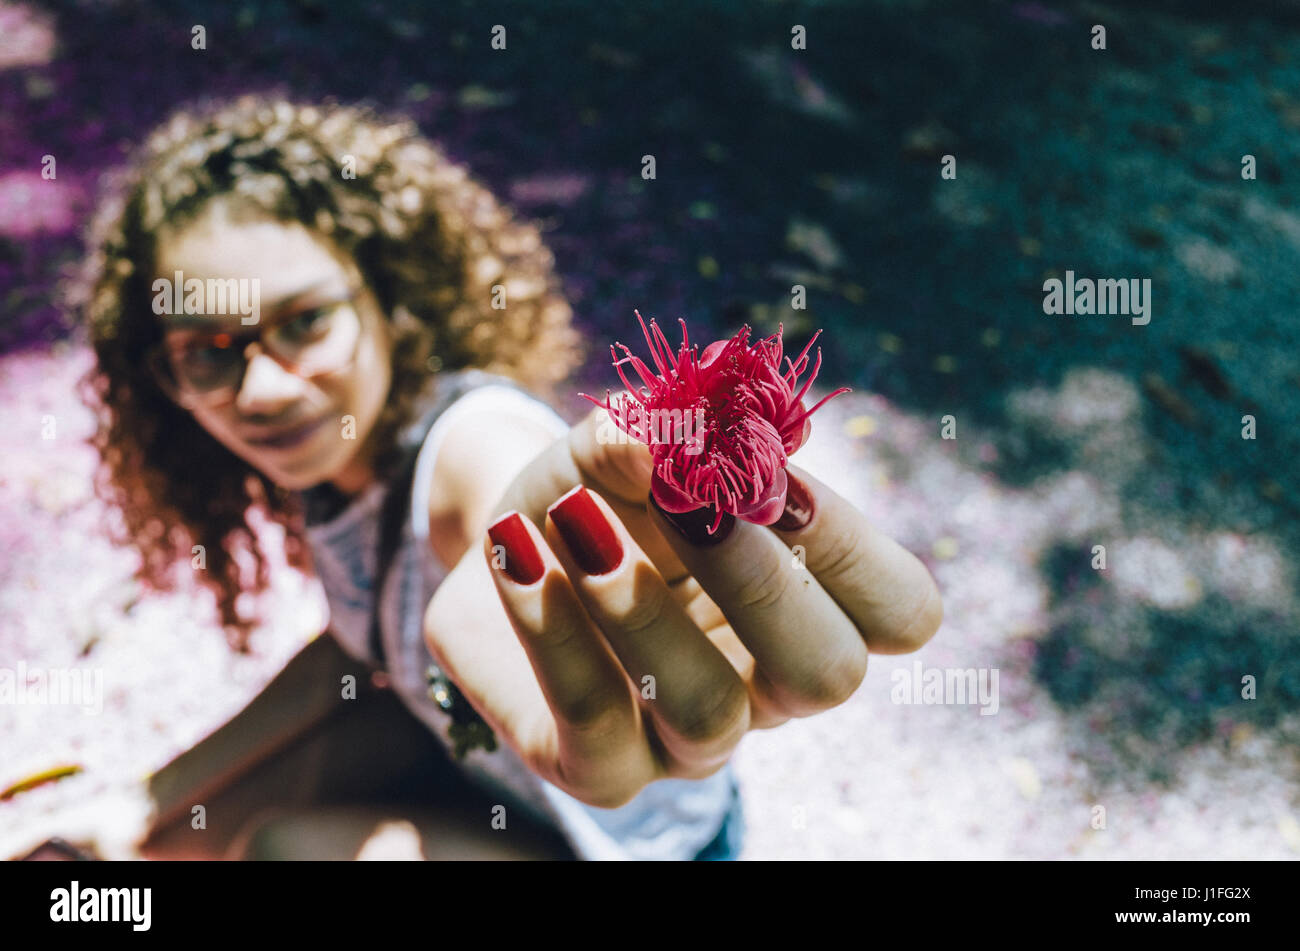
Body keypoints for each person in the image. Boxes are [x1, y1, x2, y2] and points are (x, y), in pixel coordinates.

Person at [72, 94, 943, 860]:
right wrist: (139, 802)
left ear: (386, 294)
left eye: (303, 320)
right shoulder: (340, 455)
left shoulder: (470, 453)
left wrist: (622, 624)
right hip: (478, 780)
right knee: (170, 837)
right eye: (207, 353)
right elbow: (354, 640)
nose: (261, 388)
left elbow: (512, 495)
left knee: (277, 850)